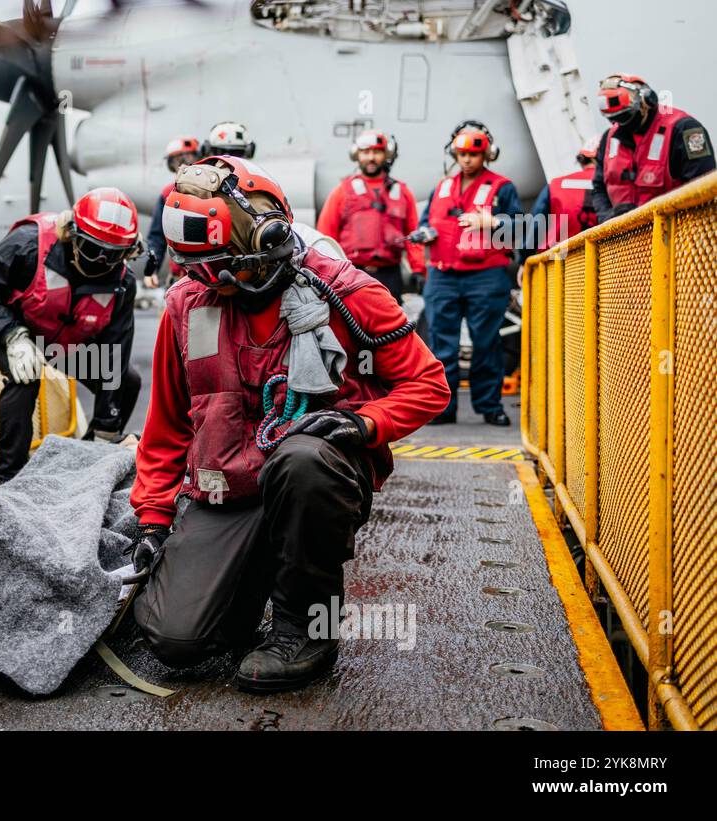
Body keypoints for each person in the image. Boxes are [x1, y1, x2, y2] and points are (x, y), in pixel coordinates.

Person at [129, 155, 450, 693]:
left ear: (268, 234)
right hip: (226, 490)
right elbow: (166, 427)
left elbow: (429, 385)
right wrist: (153, 519)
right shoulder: (188, 304)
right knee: (175, 642)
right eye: (198, 270)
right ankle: (244, 596)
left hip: (307, 478)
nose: (213, 282)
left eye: (222, 266)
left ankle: (306, 630)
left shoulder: (346, 294)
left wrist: (364, 425)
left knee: (305, 460)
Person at [0, 187, 143, 484]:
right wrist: (12, 335)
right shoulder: (28, 244)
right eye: (92, 249)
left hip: (65, 345)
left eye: (111, 255)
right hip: (14, 330)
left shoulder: (122, 284)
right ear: (71, 233)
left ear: (127, 253)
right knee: (25, 378)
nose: (100, 262)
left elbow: (114, 352)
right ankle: (7, 479)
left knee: (128, 381)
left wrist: (105, 427)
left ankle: (88, 459)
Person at [408, 121, 522, 427]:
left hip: (485, 277)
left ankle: (490, 406)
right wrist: (422, 234)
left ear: (487, 155)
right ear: (454, 155)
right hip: (443, 277)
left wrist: (494, 224)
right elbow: (423, 223)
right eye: (461, 154)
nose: (467, 160)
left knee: (486, 343)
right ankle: (443, 408)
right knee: (441, 345)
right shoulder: (441, 188)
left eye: (474, 154)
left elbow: (522, 233)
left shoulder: (503, 188)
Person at [317, 129, 425, 304]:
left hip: (390, 276)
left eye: (376, 152)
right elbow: (326, 234)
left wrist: (419, 269)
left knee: (391, 330)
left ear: (386, 154)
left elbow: (414, 235)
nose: (371, 157)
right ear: (357, 155)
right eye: (365, 152)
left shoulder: (402, 193)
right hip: (352, 274)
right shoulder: (342, 192)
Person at [591, 74, 714, 222]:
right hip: (627, 241)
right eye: (614, 119)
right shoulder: (610, 139)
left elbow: (703, 187)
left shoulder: (682, 129)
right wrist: (607, 219)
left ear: (646, 102)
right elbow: (599, 187)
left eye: (624, 117)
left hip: (678, 233)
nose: (619, 124)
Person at [521, 137, 600, 262]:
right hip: (608, 265)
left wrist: (523, 259)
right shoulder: (616, 184)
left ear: (582, 160)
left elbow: (535, 225)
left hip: (562, 267)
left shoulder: (555, 185)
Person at [143, 135, 201, 289]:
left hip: (210, 274)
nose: (184, 165)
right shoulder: (167, 194)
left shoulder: (213, 192)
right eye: (178, 160)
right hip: (181, 277)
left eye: (189, 158)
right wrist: (151, 269)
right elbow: (157, 236)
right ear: (172, 165)